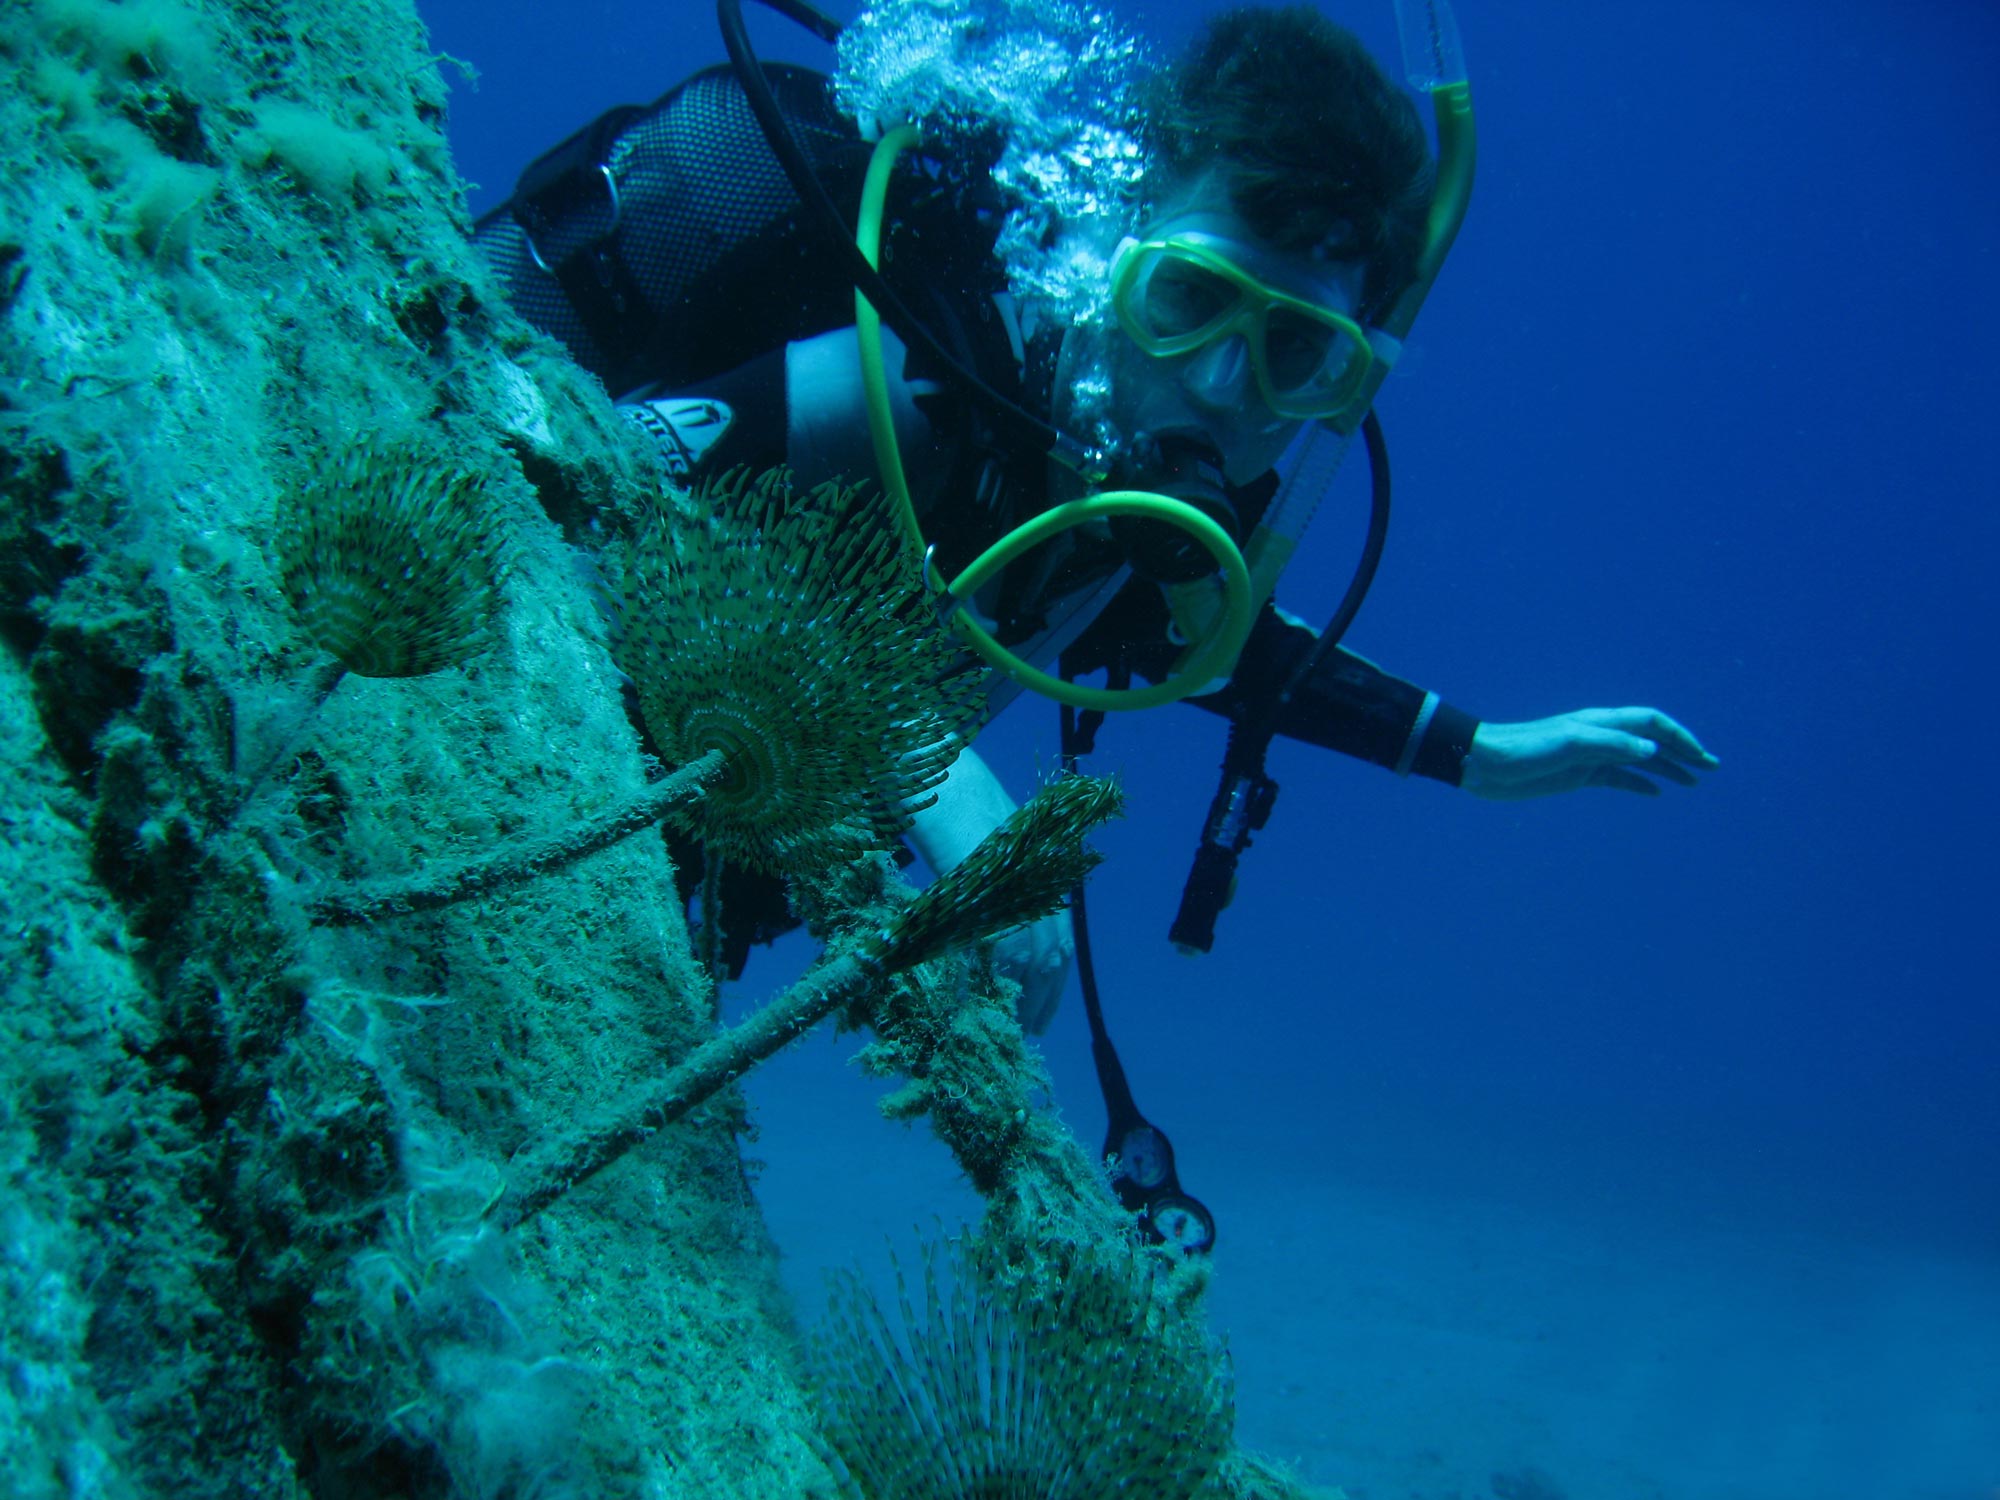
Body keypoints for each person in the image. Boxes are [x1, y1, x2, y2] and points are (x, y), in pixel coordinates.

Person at [473, 2, 1716, 1033]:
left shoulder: (1128, 507)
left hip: (647, 868)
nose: (1226, 387)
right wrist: (931, 773)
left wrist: (1469, 749)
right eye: (1186, 299)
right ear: (1111, 245)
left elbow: (1224, 646)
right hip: (496, 719)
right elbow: (602, 477)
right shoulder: (921, 380)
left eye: (1296, 352)